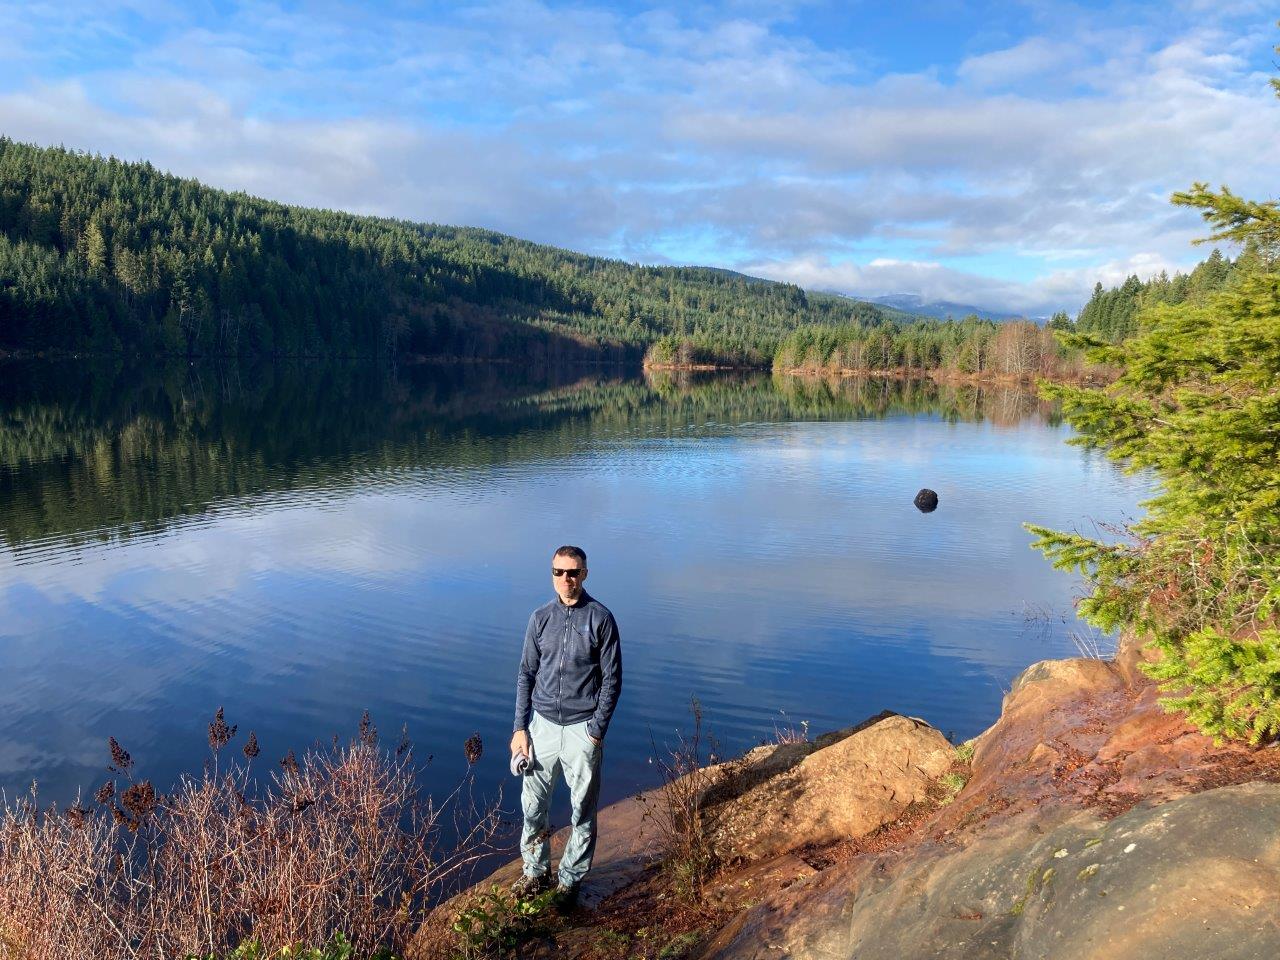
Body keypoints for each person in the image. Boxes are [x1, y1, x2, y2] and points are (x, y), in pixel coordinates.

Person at [510, 545, 622, 902]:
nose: (566, 579)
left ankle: (570, 881)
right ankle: (536, 872)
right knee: (532, 807)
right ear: (552, 574)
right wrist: (519, 728)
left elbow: (612, 680)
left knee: (583, 811)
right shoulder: (540, 618)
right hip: (541, 726)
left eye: (573, 572)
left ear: (585, 574)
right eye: (559, 572)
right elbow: (526, 674)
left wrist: (596, 731)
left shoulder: (600, 618)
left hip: (581, 729)